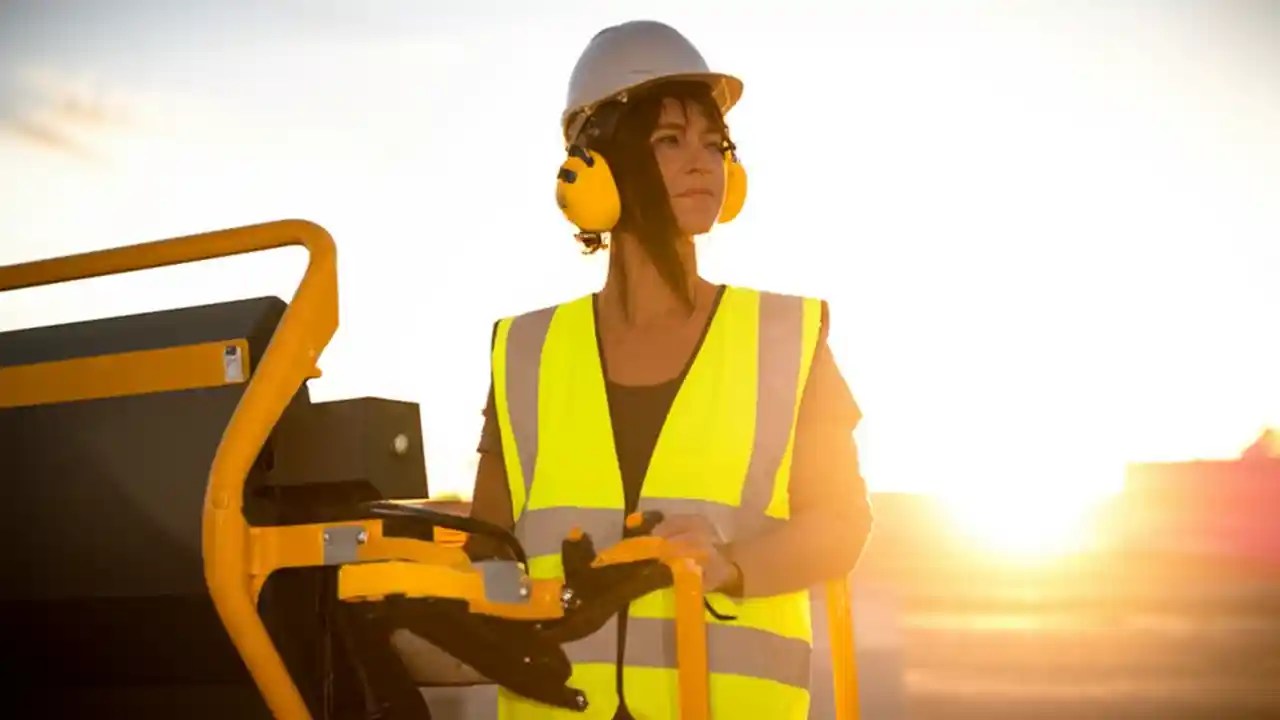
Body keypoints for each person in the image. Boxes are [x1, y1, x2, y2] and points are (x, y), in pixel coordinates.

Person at [464, 19, 874, 720]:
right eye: (669, 141)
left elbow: (842, 523)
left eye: (715, 146)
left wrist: (732, 566)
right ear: (595, 167)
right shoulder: (526, 351)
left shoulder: (787, 336)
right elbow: (485, 557)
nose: (702, 163)